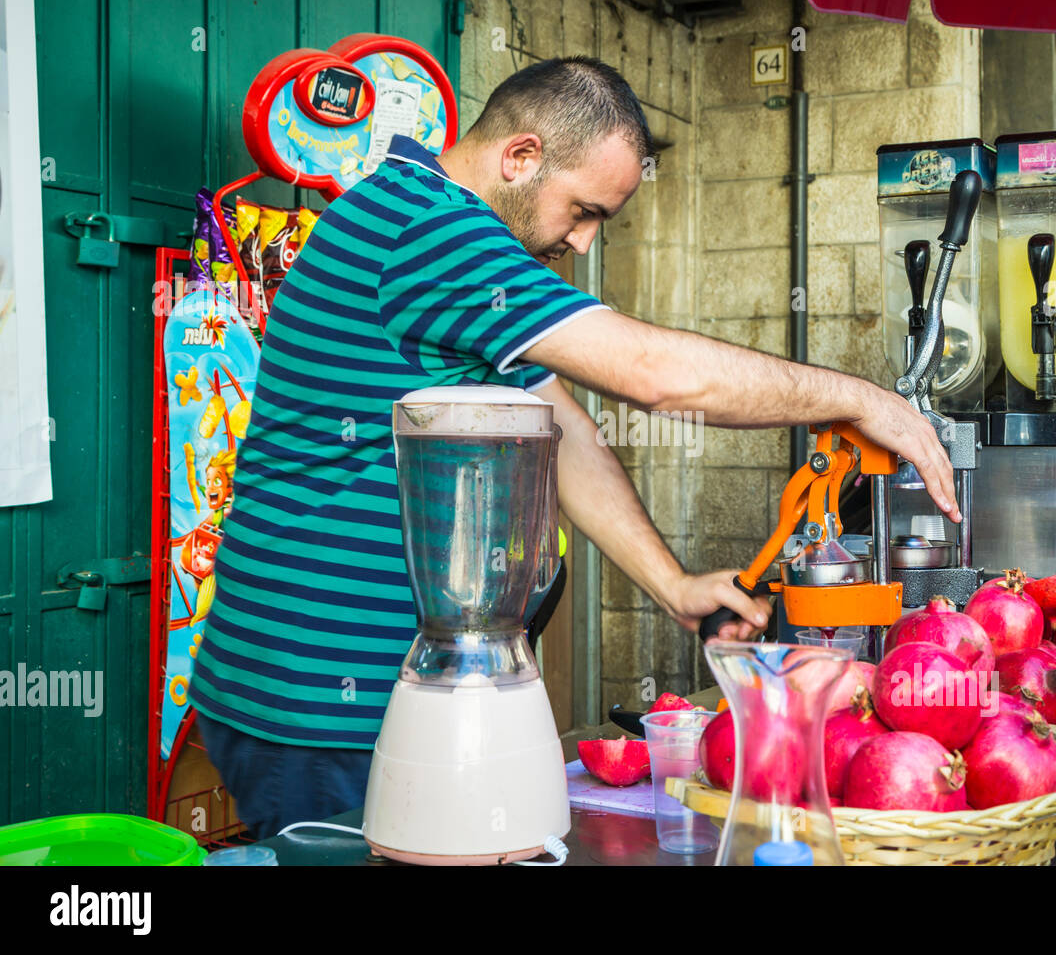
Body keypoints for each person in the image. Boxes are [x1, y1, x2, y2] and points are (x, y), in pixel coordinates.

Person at [190, 55, 959, 840]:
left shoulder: (432, 230)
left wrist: (674, 585)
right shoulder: (434, 231)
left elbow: (562, 434)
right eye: (584, 209)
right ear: (520, 157)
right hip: (318, 694)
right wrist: (866, 401)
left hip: (360, 687)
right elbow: (654, 375)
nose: (585, 242)